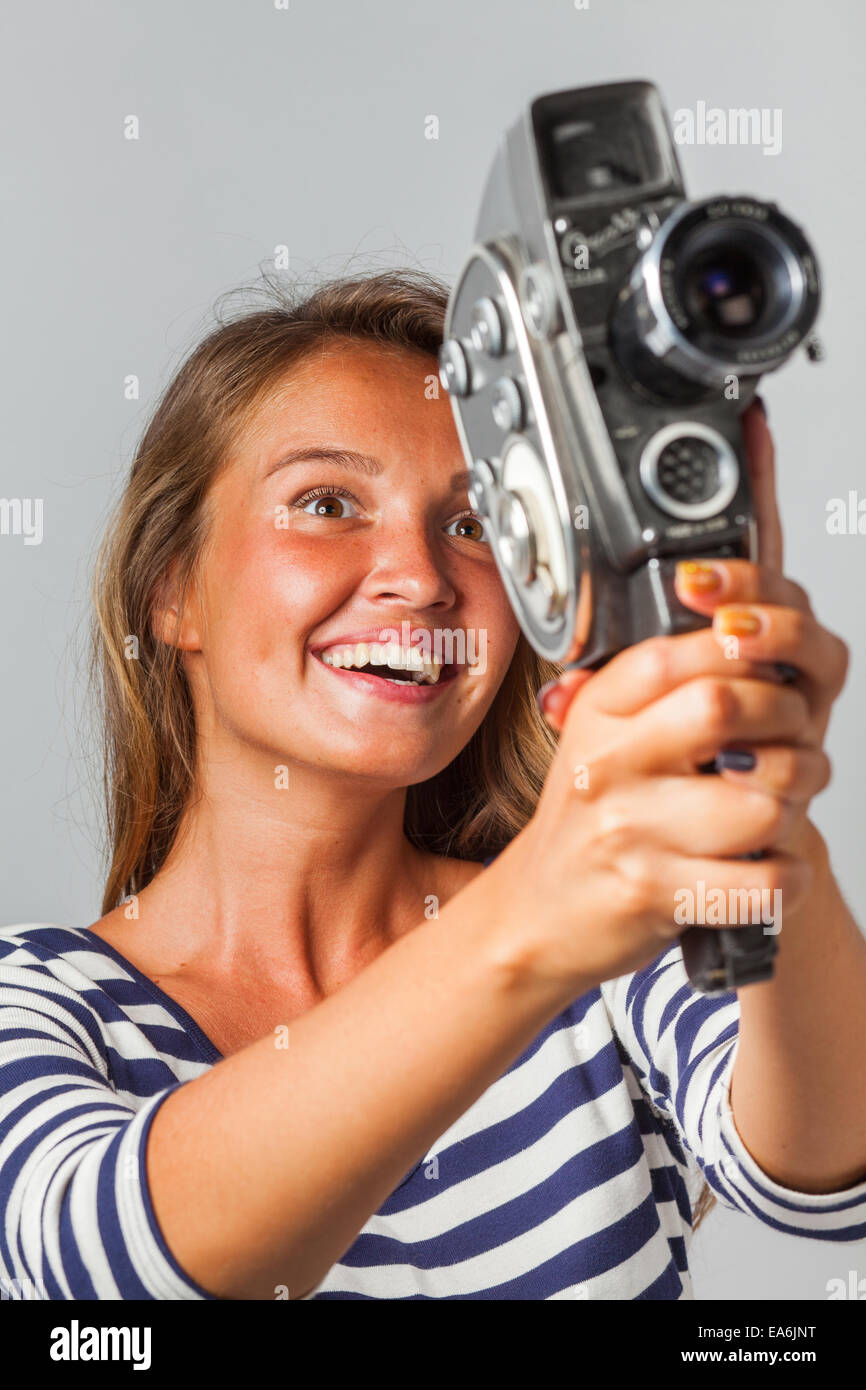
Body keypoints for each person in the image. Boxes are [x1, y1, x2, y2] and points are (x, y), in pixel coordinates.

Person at [1, 269, 864, 1302]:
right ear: (172, 590)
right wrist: (536, 909)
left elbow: (821, 1184)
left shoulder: (612, 951)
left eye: (472, 525)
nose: (418, 575)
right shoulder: (41, 1003)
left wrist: (756, 804)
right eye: (326, 503)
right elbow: (111, 1281)